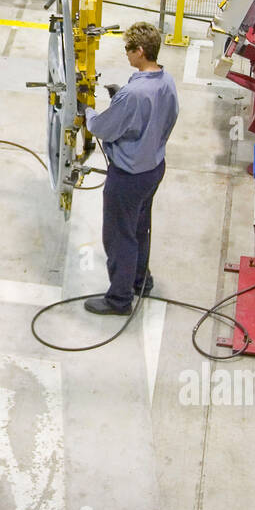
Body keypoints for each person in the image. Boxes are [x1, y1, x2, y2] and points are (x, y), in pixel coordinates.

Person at [82, 21, 179, 315]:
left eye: (128, 49)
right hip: (153, 168)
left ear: (140, 51)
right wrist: (121, 100)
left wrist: (88, 112)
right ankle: (140, 281)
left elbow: (103, 129)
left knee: (119, 235)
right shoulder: (166, 81)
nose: (126, 54)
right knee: (140, 228)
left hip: (128, 176)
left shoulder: (133, 95)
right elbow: (166, 116)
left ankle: (119, 299)